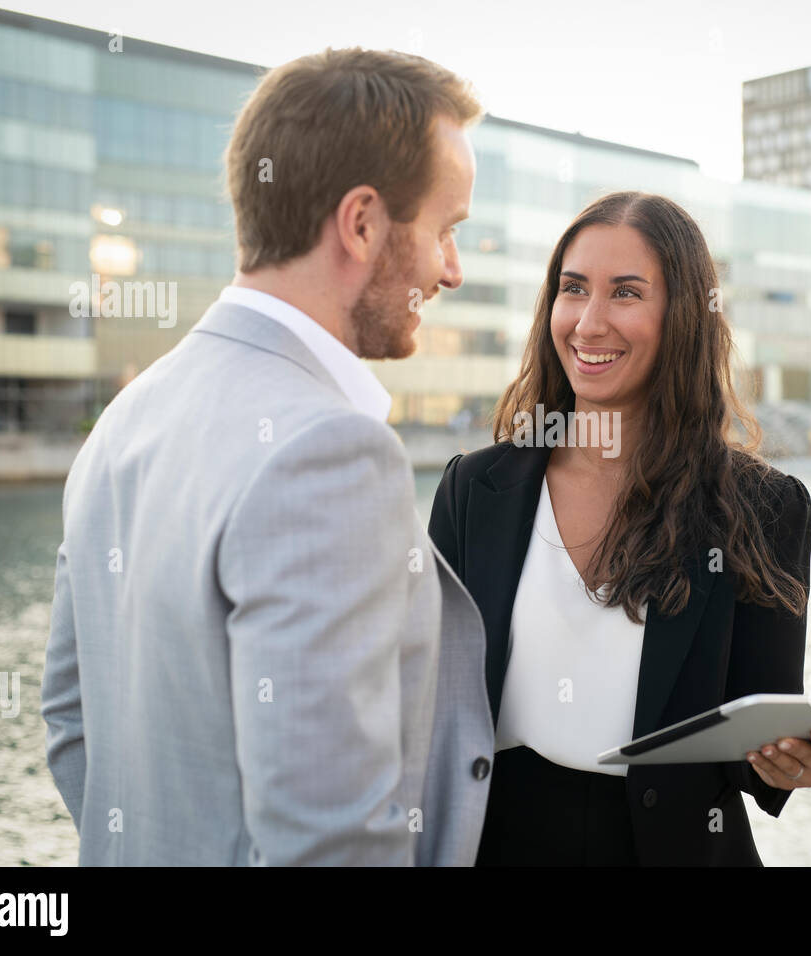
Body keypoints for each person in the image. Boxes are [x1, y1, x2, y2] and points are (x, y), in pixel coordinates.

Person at [41, 47, 494, 866]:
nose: (451, 270)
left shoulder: (126, 418)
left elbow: (75, 730)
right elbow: (332, 841)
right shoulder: (329, 450)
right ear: (362, 223)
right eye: (445, 229)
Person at [428, 191, 811, 866]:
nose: (589, 322)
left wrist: (787, 761)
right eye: (573, 289)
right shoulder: (473, 490)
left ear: (683, 317)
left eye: (625, 293)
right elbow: (426, 705)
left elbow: (752, 743)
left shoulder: (764, 508)